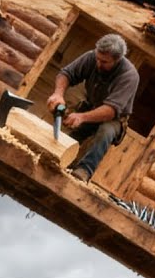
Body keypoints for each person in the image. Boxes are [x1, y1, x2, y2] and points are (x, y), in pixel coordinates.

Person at [46, 33, 139, 182]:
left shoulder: (129, 75)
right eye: (97, 58)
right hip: (91, 106)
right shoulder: (92, 57)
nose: (98, 64)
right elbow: (67, 73)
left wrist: (82, 117)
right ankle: (56, 157)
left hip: (113, 117)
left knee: (106, 131)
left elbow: (111, 110)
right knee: (73, 136)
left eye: (104, 62)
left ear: (117, 60)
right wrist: (58, 94)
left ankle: (84, 170)